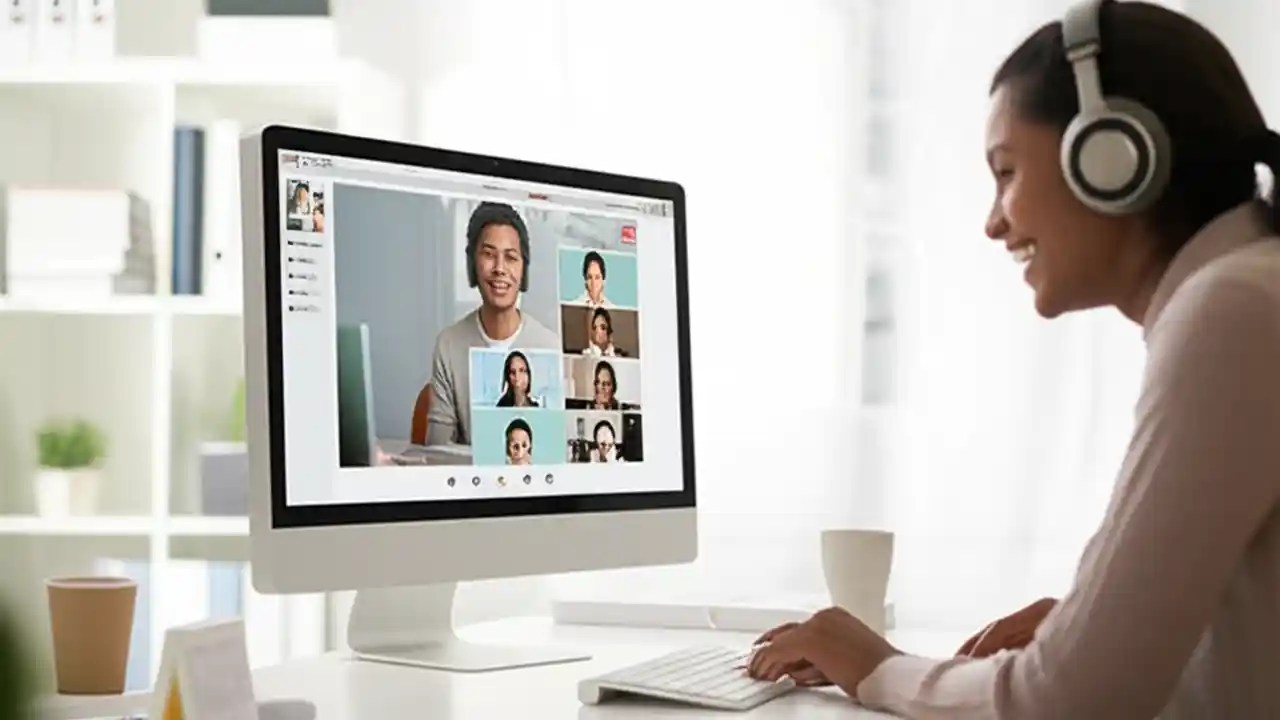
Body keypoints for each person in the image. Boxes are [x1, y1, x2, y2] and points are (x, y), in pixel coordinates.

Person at [747, 2, 1280, 717]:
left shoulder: (1230, 310)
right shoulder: (1251, 288)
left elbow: (1067, 702)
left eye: (1006, 172)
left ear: (1110, 158)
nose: (993, 222)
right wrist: (1099, 629)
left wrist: (878, 668)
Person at [426, 202, 560, 446]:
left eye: (511, 257)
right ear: (472, 264)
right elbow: (438, 450)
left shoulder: (551, 346)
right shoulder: (448, 344)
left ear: (523, 269)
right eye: (489, 254)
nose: (500, 268)